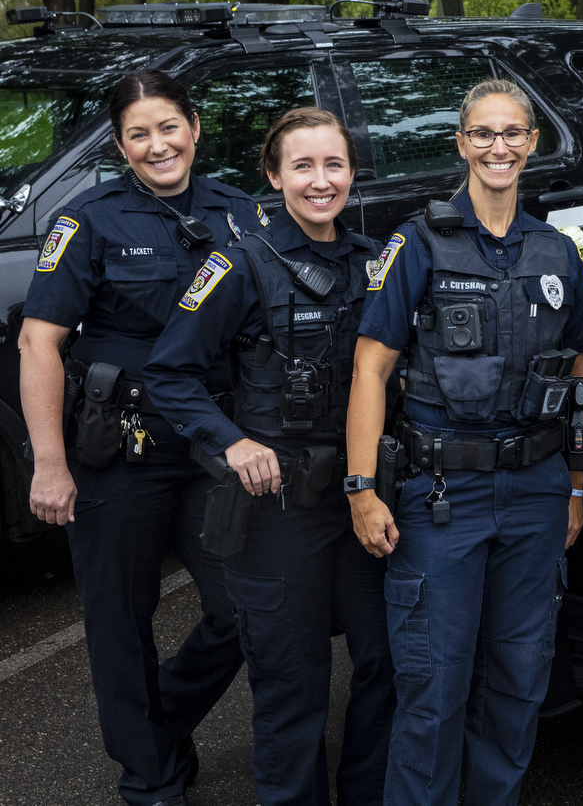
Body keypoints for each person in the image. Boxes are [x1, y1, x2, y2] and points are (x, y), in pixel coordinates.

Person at [344, 78, 583, 806]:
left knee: (518, 685)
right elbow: (372, 365)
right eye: (483, 133)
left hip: (535, 492)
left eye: (512, 133)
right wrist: (362, 488)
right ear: (461, 143)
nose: (498, 146)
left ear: (532, 144)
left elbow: (582, 364)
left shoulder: (556, 251)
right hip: (440, 497)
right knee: (433, 688)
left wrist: (575, 485)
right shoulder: (417, 243)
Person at [18, 70, 266, 806]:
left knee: (241, 606)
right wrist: (50, 463)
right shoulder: (88, 218)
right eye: (138, 134)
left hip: (212, 445)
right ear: (122, 145)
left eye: (168, 127)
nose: (158, 144)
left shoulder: (241, 214)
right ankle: (148, 775)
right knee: (118, 623)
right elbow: (39, 343)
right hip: (119, 449)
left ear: (194, 125)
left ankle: (160, 721)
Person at [143, 107, 394, 806]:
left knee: (384, 661)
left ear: (352, 171)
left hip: (363, 498)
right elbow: (170, 373)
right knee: (293, 680)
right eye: (304, 166)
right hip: (278, 512)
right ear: (274, 175)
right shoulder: (240, 264)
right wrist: (231, 438)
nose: (322, 181)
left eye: (334, 164)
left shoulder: (376, 261)